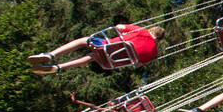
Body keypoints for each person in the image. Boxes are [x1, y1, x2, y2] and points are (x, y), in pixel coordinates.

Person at [29, 24, 165, 74]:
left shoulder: (141, 31)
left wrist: (126, 33)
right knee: (92, 56)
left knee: (84, 41)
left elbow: (119, 27)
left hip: (106, 47)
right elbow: (139, 64)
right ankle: (59, 67)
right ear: (158, 40)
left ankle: (51, 55)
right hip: (111, 63)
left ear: (151, 30)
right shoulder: (153, 52)